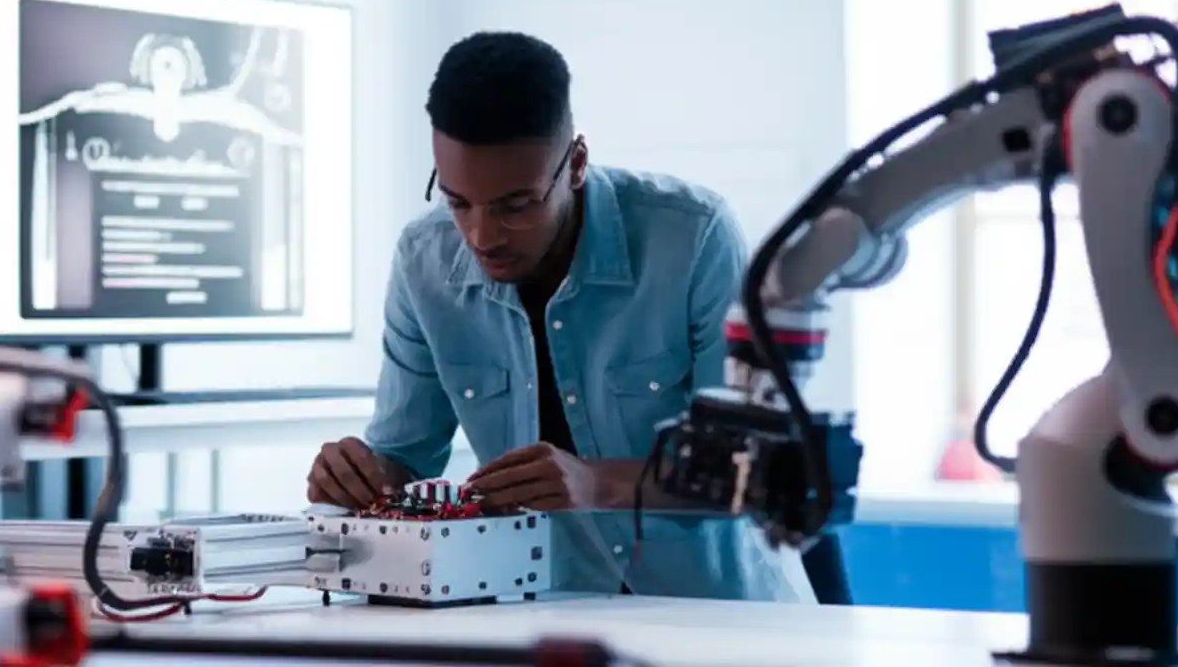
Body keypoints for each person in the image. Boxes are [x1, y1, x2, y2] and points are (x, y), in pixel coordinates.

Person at [306, 31, 814, 602]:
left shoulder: (692, 238)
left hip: (720, 617)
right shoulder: (423, 263)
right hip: (548, 613)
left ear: (575, 163)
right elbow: (404, 457)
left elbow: (753, 470)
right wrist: (357, 477)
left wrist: (596, 482)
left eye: (515, 206)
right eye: (457, 202)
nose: (481, 235)